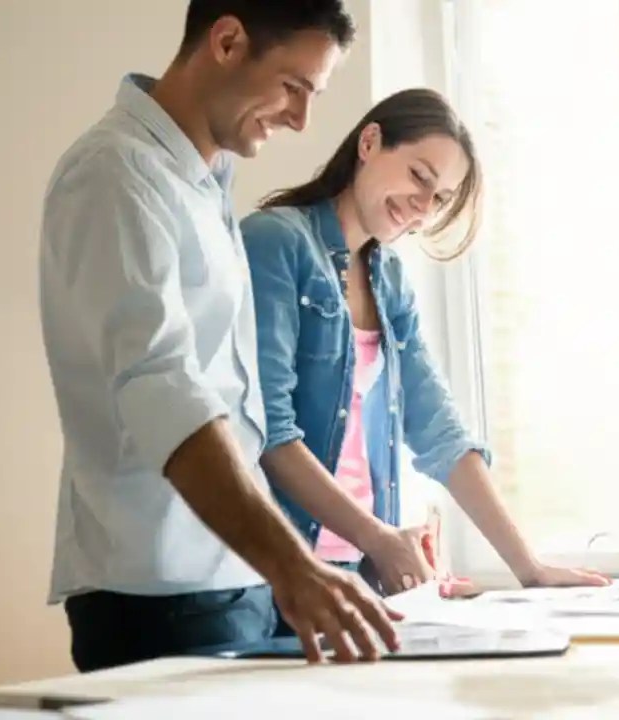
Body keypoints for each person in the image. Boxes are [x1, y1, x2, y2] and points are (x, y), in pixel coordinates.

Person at [38, 0, 398, 672]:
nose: (301, 119)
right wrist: (296, 564)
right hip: (157, 595)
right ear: (228, 40)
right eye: (295, 88)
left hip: (231, 578)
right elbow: (162, 387)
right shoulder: (115, 173)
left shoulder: (202, 184)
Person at [240, 88, 610, 611]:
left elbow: (440, 432)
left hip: (363, 575)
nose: (422, 206)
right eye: (419, 177)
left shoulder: (388, 278)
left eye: (438, 199)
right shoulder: (277, 242)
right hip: (279, 571)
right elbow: (268, 432)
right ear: (370, 142)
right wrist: (377, 537)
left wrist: (529, 568)